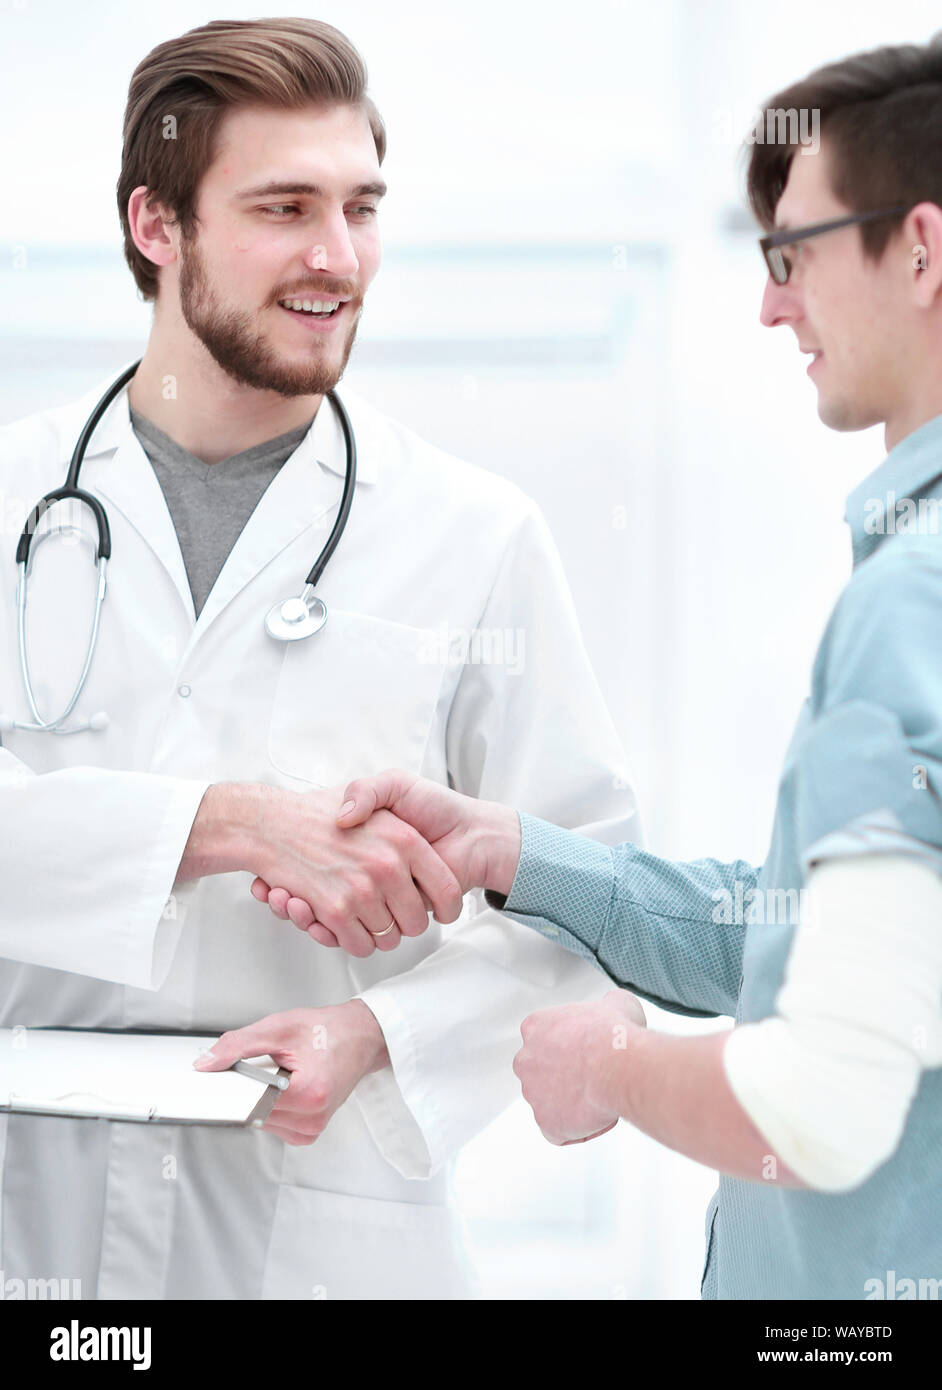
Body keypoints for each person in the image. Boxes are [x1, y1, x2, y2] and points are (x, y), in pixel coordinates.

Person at [252, 34, 942, 1300]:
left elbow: (826, 1099)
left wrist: (613, 1066)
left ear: (921, 249)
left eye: (790, 254)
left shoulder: (913, 598)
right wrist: (520, 852)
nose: (771, 303)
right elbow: (824, 949)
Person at [0, 18, 642, 1300]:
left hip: (321, 1238)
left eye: (361, 208)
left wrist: (383, 1034)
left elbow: (593, 900)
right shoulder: (17, 495)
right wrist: (222, 826)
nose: (336, 257)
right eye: (284, 207)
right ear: (156, 226)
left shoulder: (473, 535)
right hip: (34, 1216)